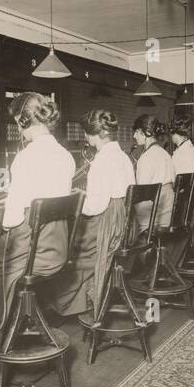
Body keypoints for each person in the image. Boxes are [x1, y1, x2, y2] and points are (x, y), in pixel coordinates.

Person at [0, 92, 76, 345]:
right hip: (56, 248)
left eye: (17, 122)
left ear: (23, 122)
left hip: (33, 251)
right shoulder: (66, 156)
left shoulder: (26, 157)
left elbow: (12, 220)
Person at [50, 110, 135, 320]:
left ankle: (68, 306)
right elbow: (116, 193)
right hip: (125, 222)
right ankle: (86, 299)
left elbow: (94, 208)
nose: (85, 138)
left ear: (94, 134)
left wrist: (76, 202)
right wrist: (88, 194)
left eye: (86, 134)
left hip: (108, 226)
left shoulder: (101, 161)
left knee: (70, 253)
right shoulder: (123, 157)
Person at [131, 114, 176, 233]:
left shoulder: (145, 158)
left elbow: (142, 193)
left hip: (154, 211)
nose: (134, 136)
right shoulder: (165, 154)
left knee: (126, 211)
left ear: (146, 133)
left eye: (136, 132)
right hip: (169, 208)